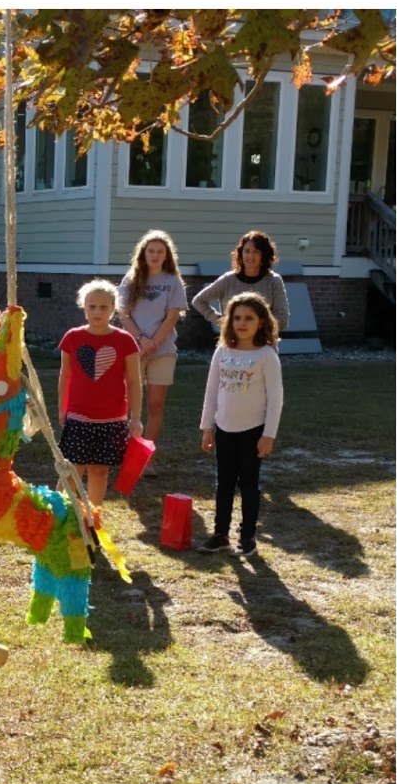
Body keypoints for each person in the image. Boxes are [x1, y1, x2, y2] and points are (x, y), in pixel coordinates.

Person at [198, 293, 284, 558]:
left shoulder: (266, 355)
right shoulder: (222, 351)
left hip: (253, 431)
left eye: (249, 318)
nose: (242, 323)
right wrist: (207, 427)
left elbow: (276, 399)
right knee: (223, 482)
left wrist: (268, 435)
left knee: (248, 484)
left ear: (261, 322)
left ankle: (247, 537)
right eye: (236, 317)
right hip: (224, 429)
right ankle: (220, 534)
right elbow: (211, 391)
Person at [57, 280, 142, 510]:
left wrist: (135, 418)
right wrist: (62, 409)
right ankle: (59, 516)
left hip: (112, 419)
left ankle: (92, 518)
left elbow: (134, 381)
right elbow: (65, 376)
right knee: (71, 468)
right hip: (79, 416)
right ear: (83, 307)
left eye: (103, 307)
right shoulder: (72, 338)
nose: (97, 312)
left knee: (99, 470)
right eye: (92, 306)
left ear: (113, 309)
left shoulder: (125, 341)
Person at [117, 230, 188, 443]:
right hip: (134, 350)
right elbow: (123, 314)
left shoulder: (173, 281)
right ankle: (122, 450)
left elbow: (172, 316)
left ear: (167, 255)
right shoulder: (130, 279)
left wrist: (154, 343)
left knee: (155, 405)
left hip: (163, 351)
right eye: (151, 251)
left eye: (160, 251)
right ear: (143, 253)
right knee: (128, 403)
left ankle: (146, 457)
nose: (155, 255)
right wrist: (141, 340)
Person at [190, 230, 291, 333]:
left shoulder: (274, 281)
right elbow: (198, 301)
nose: (250, 256)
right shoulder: (228, 280)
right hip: (232, 344)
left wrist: (259, 326)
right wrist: (220, 320)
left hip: (264, 344)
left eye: (255, 252)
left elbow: (282, 319)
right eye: (247, 251)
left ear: (264, 255)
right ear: (240, 253)